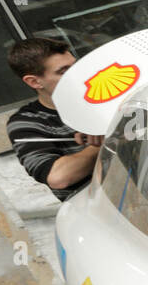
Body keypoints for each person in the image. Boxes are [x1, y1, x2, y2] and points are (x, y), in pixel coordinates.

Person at [6, 38, 102, 201]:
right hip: (96, 212)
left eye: (76, 66)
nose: (78, 74)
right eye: (63, 71)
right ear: (34, 81)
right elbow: (59, 177)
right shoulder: (27, 122)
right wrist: (106, 142)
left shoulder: (106, 97)